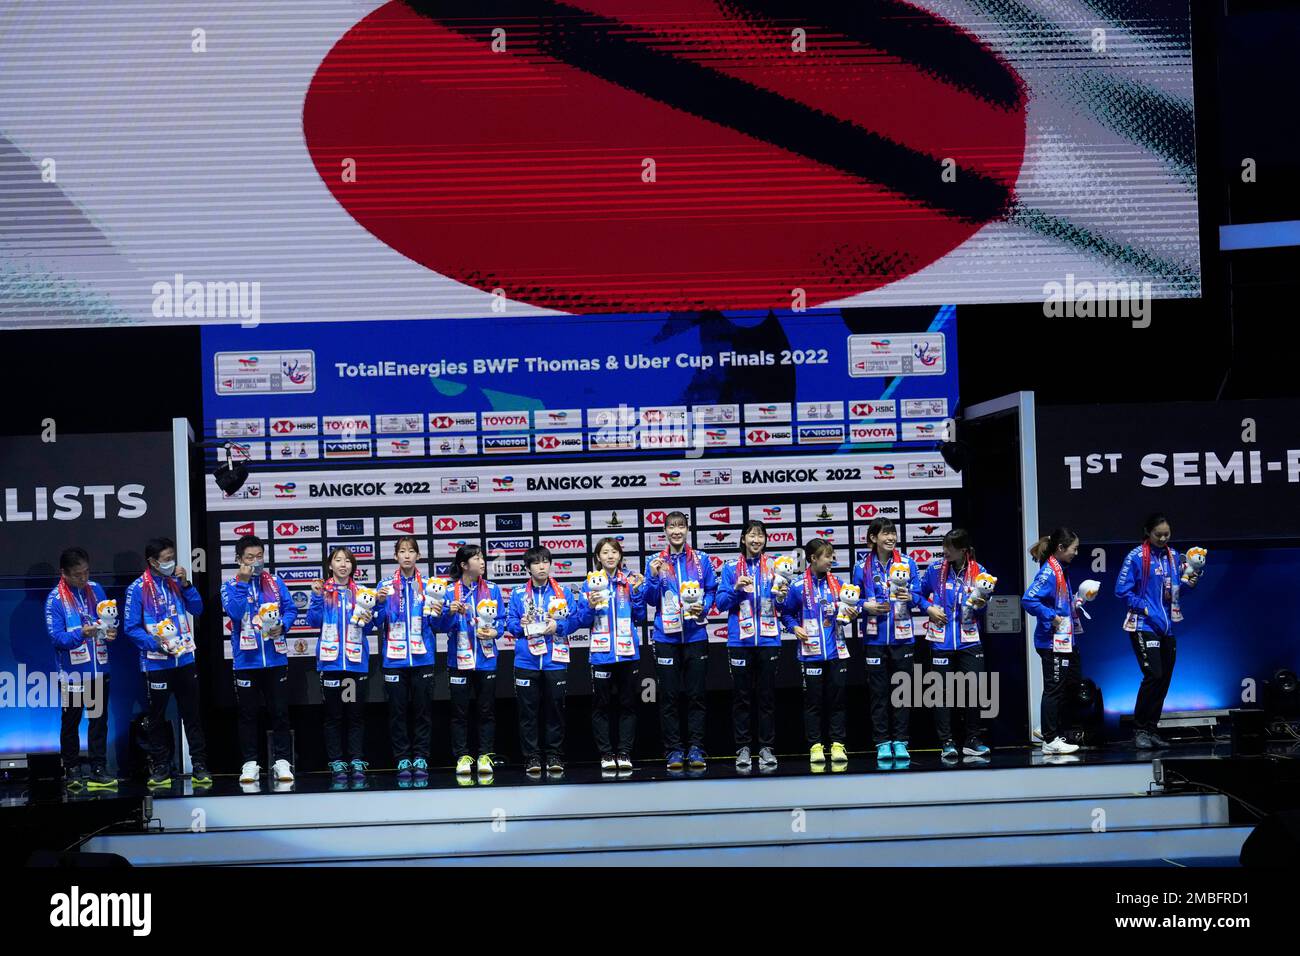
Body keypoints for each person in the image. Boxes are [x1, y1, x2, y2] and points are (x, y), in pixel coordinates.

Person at [123, 536, 210, 787]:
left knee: (192, 714)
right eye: (166, 559)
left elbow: (198, 609)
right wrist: (155, 643)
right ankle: (161, 766)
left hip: (185, 660)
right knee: (156, 716)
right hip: (156, 663)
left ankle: (200, 765)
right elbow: (131, 627)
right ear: (153, 561)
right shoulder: (137, 588)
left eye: (173, 557)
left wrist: (186, 584)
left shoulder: (177, 582)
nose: (171, 562)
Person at [1115, 513, 1201, 750]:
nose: (1163, 538)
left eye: (1167, 534)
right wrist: (1144, 607)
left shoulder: (1173, 556)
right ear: (1147, 532)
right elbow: (1121, 590)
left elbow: (1174, 591)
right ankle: (1140, 730)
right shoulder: (1135, 557)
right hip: (1143, 624)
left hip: (1166, 627)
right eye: (1158, 534)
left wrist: (1190, 584)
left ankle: (1151, 729)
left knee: (1163, 679)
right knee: (1153, 676)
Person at [642, 511, 717, 771]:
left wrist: (704, 607)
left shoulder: (701, 559)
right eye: (671, 527)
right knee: (669, 697)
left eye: (681, 526)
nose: (676, 531)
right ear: (664, 531)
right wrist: (653, 577)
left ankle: (696, 748)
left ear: (687, 529)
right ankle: (674, 750)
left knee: (696, 696)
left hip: (696, 635)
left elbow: (711, 590)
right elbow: (650, 599)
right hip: (666, 637)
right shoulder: (654, 560)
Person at [220, 534, 298, 784]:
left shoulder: (275, 582)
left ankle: (282, 761)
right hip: (246, 661)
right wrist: (243, 583)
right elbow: (234, 613)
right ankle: (250, 764)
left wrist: (283, 625)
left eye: (259, 556)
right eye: (250, 557)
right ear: (238, 560)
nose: (256, 561)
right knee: (248, 714)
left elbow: (291, 609)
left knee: (280, 713)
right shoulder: (229, 586)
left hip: (276, 660)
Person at [917, 529, 995, 762]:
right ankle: (947, 742)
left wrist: (981, 604)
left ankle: (972, 739)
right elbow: (916, 594)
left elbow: (984, 603)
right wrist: (929, 608)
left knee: (974, 689)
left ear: (963, 550)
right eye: (944, 546)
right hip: (941, 640)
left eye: (949, 548)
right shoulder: (934, 570)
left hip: (969, 640)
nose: (945, 551)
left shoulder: (980, 572)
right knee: (941, 692)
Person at [572, 537, 647, 772]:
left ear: (620, 555)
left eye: (614, 552)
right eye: (605, 552)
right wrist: (590, 606)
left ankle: (624, 752)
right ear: (598, 557)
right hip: (601, 655)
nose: (610, 556)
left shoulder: (630, 581)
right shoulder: (590, 584)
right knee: (601, 706)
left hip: (628, 654)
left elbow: (641, 616)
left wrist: (637, 592)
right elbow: (582, 620)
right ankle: (606, 754)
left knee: (628, 705)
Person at [44, 547, 116, 789]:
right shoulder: (55, 600)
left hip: (99, 669)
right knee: (71, 722)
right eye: (77, 574)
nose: (83, 578)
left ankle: (98, 768)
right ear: (63, 573)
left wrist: (110, 632)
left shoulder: (96, 589)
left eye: (86, 572)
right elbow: (57, 638)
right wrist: (81, 634)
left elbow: (108, 621)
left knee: (99, 722)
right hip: (72, 674)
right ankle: (72, 769)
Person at [714, 520, 782, 770]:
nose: (756, 540)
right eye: (751, 535)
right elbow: (720, 603)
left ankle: (766, 748)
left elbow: (785, 603)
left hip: (768, 640)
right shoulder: (731, 567)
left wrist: (782, 596)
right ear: (743, 539)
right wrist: (735, 588)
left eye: (760, 535)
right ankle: (742, 748)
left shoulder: (774, 566)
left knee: (766, 697)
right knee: (741, 698)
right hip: (740, 641)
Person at [506, 546, 579, 775]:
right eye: (536, 563)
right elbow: (509, 623)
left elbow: (575, 620)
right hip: (526, 661)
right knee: (527, 712)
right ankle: (532, 757)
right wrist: (521, 625)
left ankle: (554, 754)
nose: (542, 566)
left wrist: (559, 626)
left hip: (555, 659)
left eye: (545, 562)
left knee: (555, 709)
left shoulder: (562, 593)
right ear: (528, 568)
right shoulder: (518, 593)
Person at [852, 518, 920, 763]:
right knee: (878, 693)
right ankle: (882, 742)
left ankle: (901, 741)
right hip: (874, 638)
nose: (891, 538)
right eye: (886, 534)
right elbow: (852, 599)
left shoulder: (908, 563)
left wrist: (911, 596)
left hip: (903, 637)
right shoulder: (861, 566)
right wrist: (865, 605)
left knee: (902, 692)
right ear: (873, 538)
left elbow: (919, 595)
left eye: (893, 533)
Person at [306, 546, 377, 782]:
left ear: (353, 566)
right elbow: (313, 621)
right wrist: (317, 597)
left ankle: (356, 759)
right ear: (330, 565)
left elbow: (368, 628)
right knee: (333, 716)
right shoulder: (323, 591)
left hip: (355, 664)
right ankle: (336, 761)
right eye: (338, 560)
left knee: (355, 715)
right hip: (331, 664)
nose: (343, 564)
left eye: (347, 561)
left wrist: (369, 619)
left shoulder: (362, 593)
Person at [778, 539, 851, 766]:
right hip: (810, 653)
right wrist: (794, 627)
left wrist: (851, 614)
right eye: (827, 556)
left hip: (837, 652)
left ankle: (837, 744)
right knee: (813, 702)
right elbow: (786, 613)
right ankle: (815, 745)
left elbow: (848, 611)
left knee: (837, 701)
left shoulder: (838, 584)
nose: (831, 560)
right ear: (813, 558)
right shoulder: (798, 586)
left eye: (832, 555)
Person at [435, 544, 506, 777]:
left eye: (482, 557)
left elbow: (502, 621)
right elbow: (438, 626)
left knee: (487, 711)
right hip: (459, 661)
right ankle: (462, 757)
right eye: (476, 558)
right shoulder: (449, 591)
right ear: (464, 565)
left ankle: (485, 755)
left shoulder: (492, 589)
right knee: (459, 712)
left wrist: (495, 632)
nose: (482, 561)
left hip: (486, 659)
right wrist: (449, 613)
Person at [1023, 527, 1085, 756]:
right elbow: (1028, 600)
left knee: (1072, 683)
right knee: (1054, 689)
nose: (1076, 553)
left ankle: (1047, 727)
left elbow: (1058, 602)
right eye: (1074, 549)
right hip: (1051, 642)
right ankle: (1049, 739)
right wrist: (1051, 616)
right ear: (1060, 548)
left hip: (1065, 640)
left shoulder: (1061, 570)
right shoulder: (1049, 572)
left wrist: (1076, 601)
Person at [376, 535, 434, 780]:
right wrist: (379, 604)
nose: (407, 555)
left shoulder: (429, 585)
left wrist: (438, 612)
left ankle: (420, 756)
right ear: (395, 556)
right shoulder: (385, 585)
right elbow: (376, 623)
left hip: (423, 659)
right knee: (397, 712)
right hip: (394, 659)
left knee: (423, 711)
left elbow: (438, 624)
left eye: (411, 551)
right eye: (402, 551)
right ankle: (402, 757)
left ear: (418, 556)